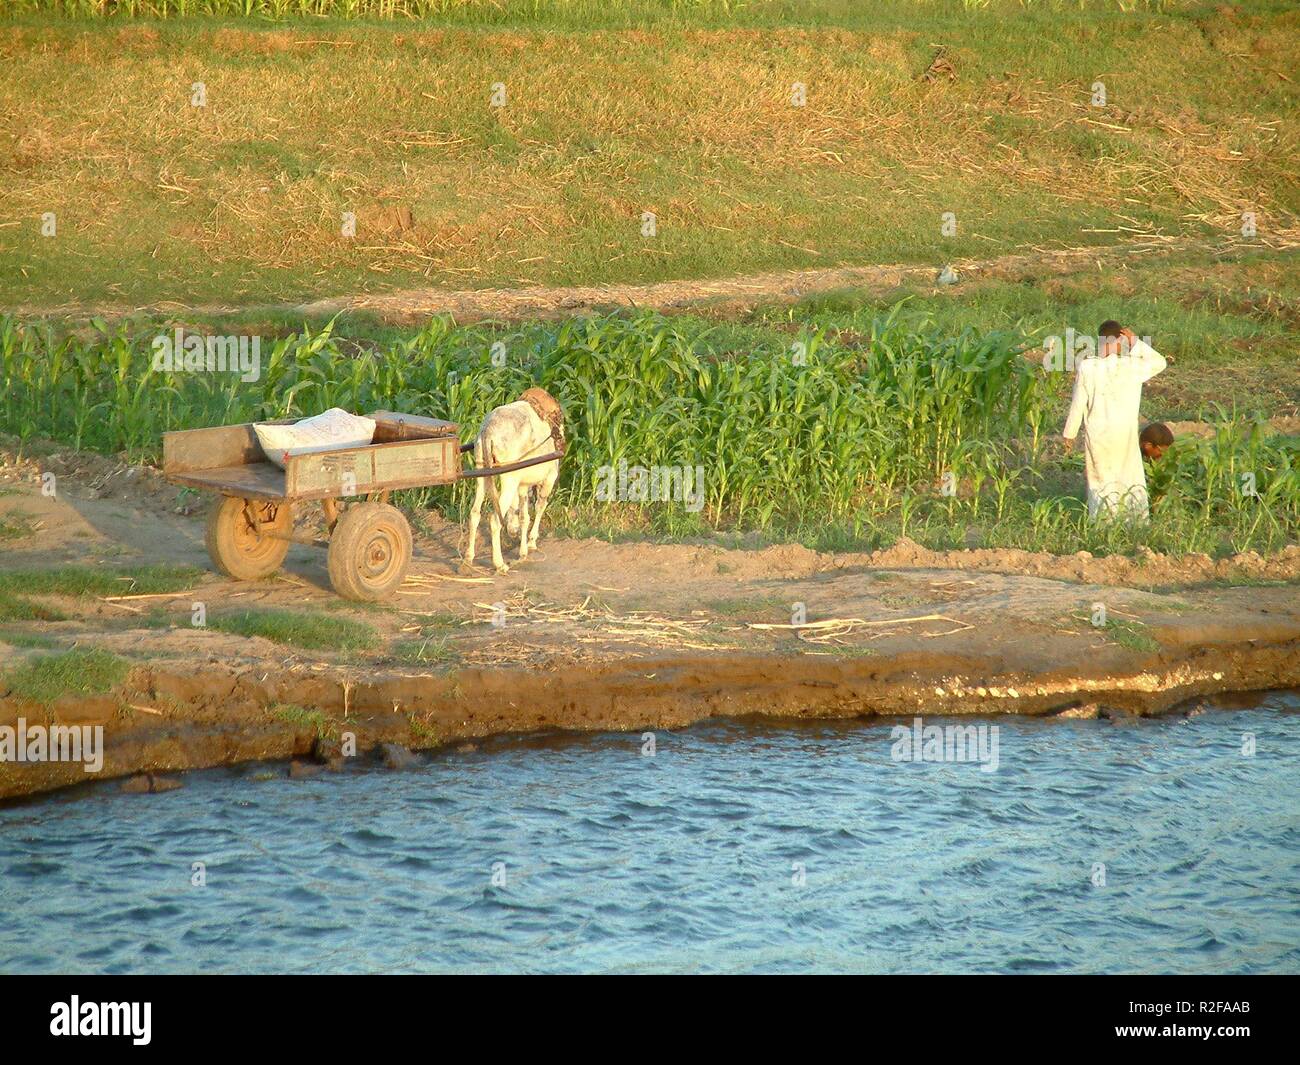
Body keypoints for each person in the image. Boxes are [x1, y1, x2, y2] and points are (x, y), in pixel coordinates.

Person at [1062, 321, 1168, 521]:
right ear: (1120, 339)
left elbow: (1078, 403)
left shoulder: (1087, 366)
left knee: (1101, 481)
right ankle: (1135, 523)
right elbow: (1160, 362)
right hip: (1124, 435)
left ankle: (1103, 524)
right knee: (1129, 478)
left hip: (1098, 437)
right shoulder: (1132, 364)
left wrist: (1069, 434)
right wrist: (1134, 341)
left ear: (1099, 339)